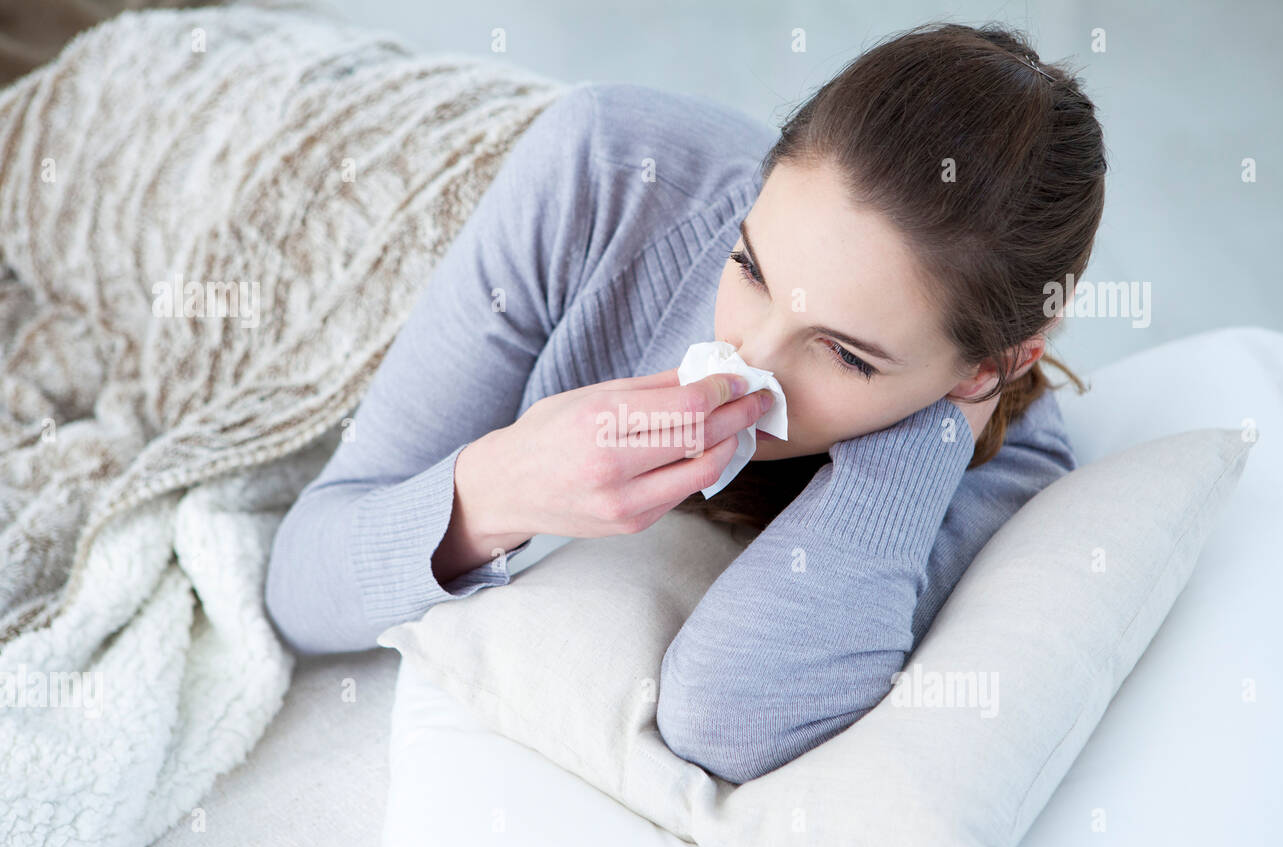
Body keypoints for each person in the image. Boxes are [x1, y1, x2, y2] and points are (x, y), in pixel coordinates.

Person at [265, 21, 1102, 784]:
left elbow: (728, 719)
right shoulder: (603, 170)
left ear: (985, 368)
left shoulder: (1001, 455)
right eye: (749, 269)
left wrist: (936, 430)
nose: (746, 358)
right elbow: (299, 587)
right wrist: (503, 487)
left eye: (845, 354)